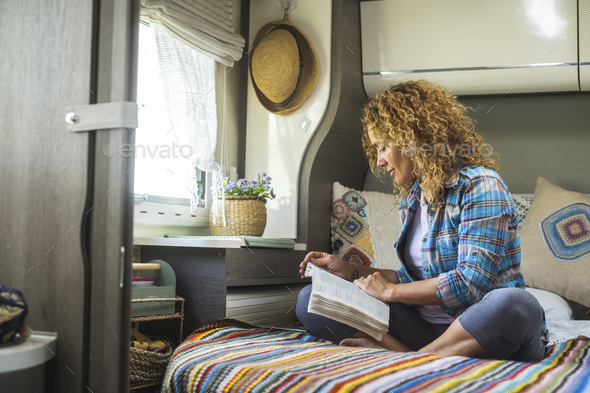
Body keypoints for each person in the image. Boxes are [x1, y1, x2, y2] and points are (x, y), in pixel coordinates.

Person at [296, 80, 547, 361]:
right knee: (311, 299)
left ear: (411, 139)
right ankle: (416, 355)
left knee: (516, 305)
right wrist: (351, 271)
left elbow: (470, 283)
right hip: (427, 331)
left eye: (382, 147)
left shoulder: (480, 185)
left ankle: (408, 359)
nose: (378, 160)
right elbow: (414, 279)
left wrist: (390, 291)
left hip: (481, 331)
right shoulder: (414, 198)